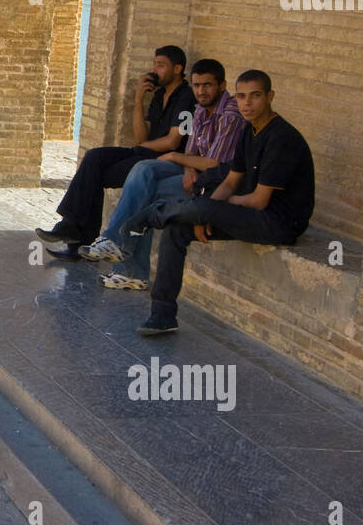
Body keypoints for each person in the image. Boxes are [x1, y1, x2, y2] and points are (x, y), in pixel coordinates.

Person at [124, 70, 315, 336]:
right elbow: (230, 181)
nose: (247, 103)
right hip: (249, 216)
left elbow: (259, 201)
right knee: (178, 228)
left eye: (255, 96)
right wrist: (203, 216)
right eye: (241, 96)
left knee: (200, 207)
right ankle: (162, 315)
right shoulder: (250, 130)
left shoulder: (281, 138)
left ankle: (152, 215)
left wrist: (209, 212)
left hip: (279, 222)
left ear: (270, 97)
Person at [86, 58, 245, 290]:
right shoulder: (200, 108)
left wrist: (175, 157)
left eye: (208, 85)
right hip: (194, 171)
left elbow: (213, 163)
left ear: (222, 85)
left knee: (147, 193)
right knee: (143, 168)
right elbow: (192, 149)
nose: (201, 91)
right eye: (197, 85)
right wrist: (188, 166)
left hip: (217, 181)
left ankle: (131, 268)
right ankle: (113, 242)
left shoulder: (230, 115)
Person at [35, 46, 196, 258]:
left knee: (96, 176)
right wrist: (138, 100)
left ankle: (76, 234)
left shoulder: (186, 97)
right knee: (94, 158)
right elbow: (141, 137)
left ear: (177, 69)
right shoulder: (159, 95)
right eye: (154, 64)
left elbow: (173, 142)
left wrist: (141, 147)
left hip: (162, 161)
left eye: (161, 65)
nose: (155, 70)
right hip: (144, 152)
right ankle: (73, 231)